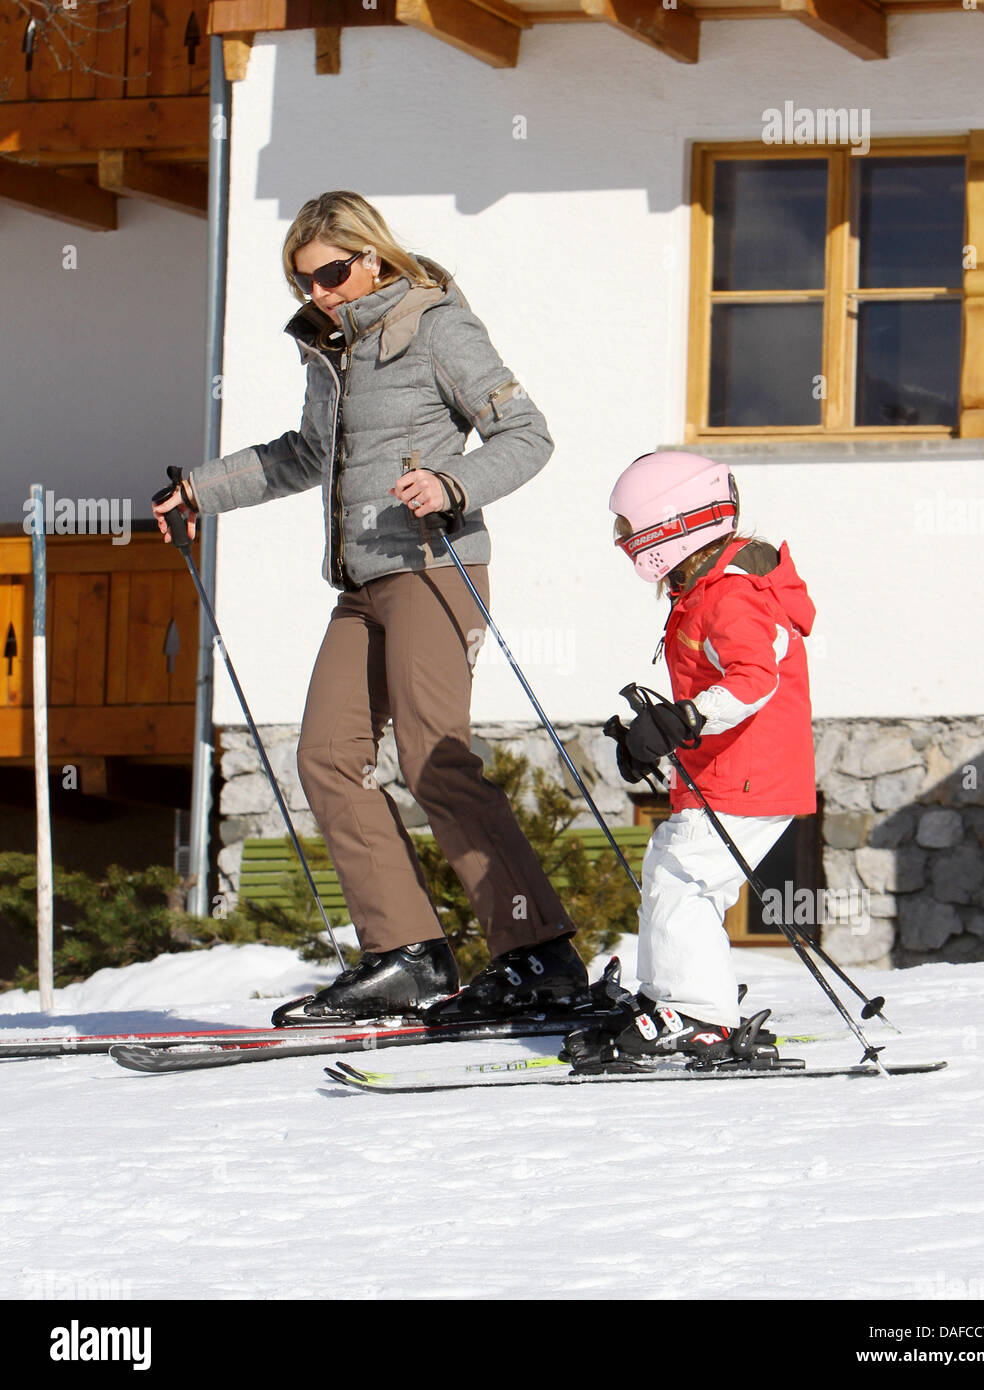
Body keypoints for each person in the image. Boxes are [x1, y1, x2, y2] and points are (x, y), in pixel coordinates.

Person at [152, 190, 585, 1020]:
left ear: (373, 257)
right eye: (303, 283)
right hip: (361, 583)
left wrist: (452, 483)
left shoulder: (437, 327)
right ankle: (408, 953)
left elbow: (527, 433)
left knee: (433, 760)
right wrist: (199, 491)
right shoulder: (331, 351)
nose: (318, 294)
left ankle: (538, 954)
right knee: (326, 754)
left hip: (434, 569)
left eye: (331, 275)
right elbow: (307, 454)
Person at [564, 451, 817, 1070]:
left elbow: (756, 678)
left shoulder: (731, 595)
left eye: (627, 526)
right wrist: (649, 730)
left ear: (672, 525)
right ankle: (666, 998)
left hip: (751, 777)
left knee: (686, 878)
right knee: (668, 864)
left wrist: (684, 719)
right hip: (726, 773)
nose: (621, 540)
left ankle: (701, 1014)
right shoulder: (705, 589)